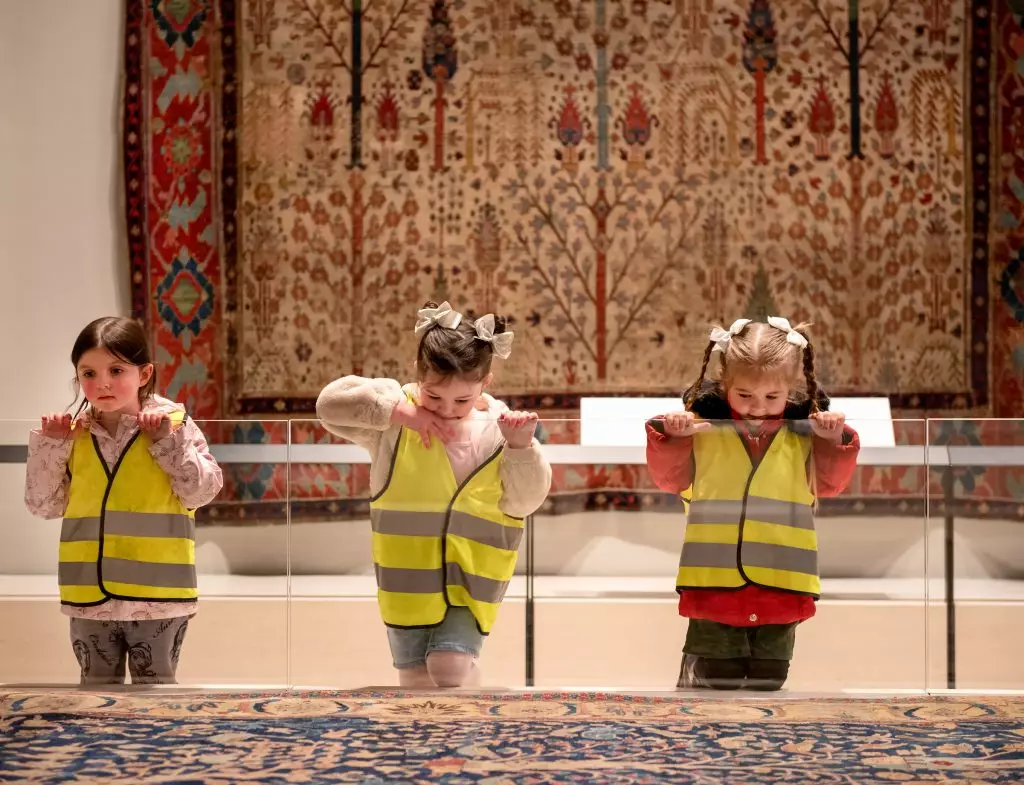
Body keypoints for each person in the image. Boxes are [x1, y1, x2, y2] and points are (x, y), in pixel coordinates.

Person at [316, 300, 551, 688]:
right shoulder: (392, 423)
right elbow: (328, 405)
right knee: (414, 676)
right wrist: (401, 412)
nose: (446, 410)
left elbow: (526, 502)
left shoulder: (501, 429)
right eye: (433, 397)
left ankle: (468, 722)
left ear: (485, 383)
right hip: (406, 579)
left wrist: (521, 448)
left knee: (450, 667)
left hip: (473, 577)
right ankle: (429, 743)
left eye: (462, 400)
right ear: (417, 375)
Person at [646, 317, 860, 690]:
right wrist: (676, 438)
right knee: (720, 678)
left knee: (769, 680)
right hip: (714, 580)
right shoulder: (701, 429)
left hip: (782, 579)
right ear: (724, 383)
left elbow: (830, 485)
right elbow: (669, 479)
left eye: (772, 397)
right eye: (744, 395)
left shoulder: (805, 434)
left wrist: (830, 440)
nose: (757, 407)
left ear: (790, 389)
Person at [25, 317, 223, 684]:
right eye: (88, 373)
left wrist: (166, 443)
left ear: (144, 373)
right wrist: (51, 446)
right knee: (96, 697)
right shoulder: (71, 435)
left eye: (116, 370)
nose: (101, 383)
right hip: (89, 595)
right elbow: (43, 505)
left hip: (158, 597)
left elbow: (202, 491)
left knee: (156, 696)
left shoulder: (176, 427)